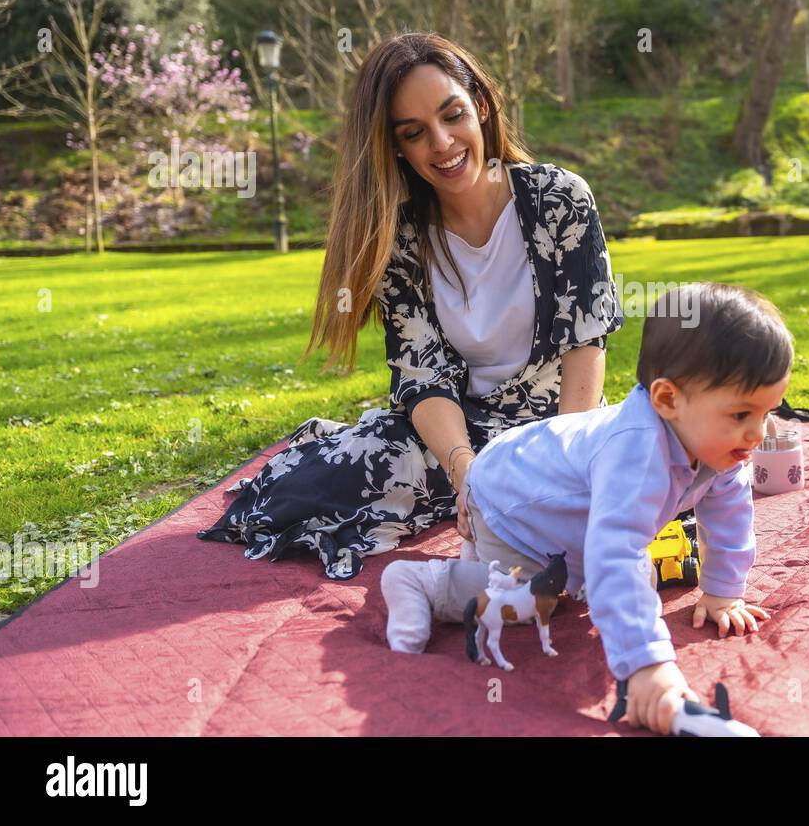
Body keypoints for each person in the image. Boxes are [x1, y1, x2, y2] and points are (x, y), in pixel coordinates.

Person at [197, 32, 624, 579]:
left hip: (553, 428)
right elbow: (423, 380)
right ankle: (471, 494)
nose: (442, 143)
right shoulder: (398, 240)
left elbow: (585, 342)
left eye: (453, 115)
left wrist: (566, 469)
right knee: (333, 479)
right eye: (414, 133)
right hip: (455, 438)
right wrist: (468, 473)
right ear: (394, 146)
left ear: (482, 107)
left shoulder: (559, 199)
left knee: (632, 475)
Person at [382, 282, 794, 735]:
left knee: (638, 578)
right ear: (668, 399)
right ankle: (422, 583)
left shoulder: (723, 447)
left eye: (768, 411)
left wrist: (722, 590)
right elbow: (614, 554)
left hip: (555, 505)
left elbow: (731, 517)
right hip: (513, 503)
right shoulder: (635, 454)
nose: (758, 432)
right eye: (741, 414)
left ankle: (490, 567)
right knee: (534, 601)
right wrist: (647, 666)